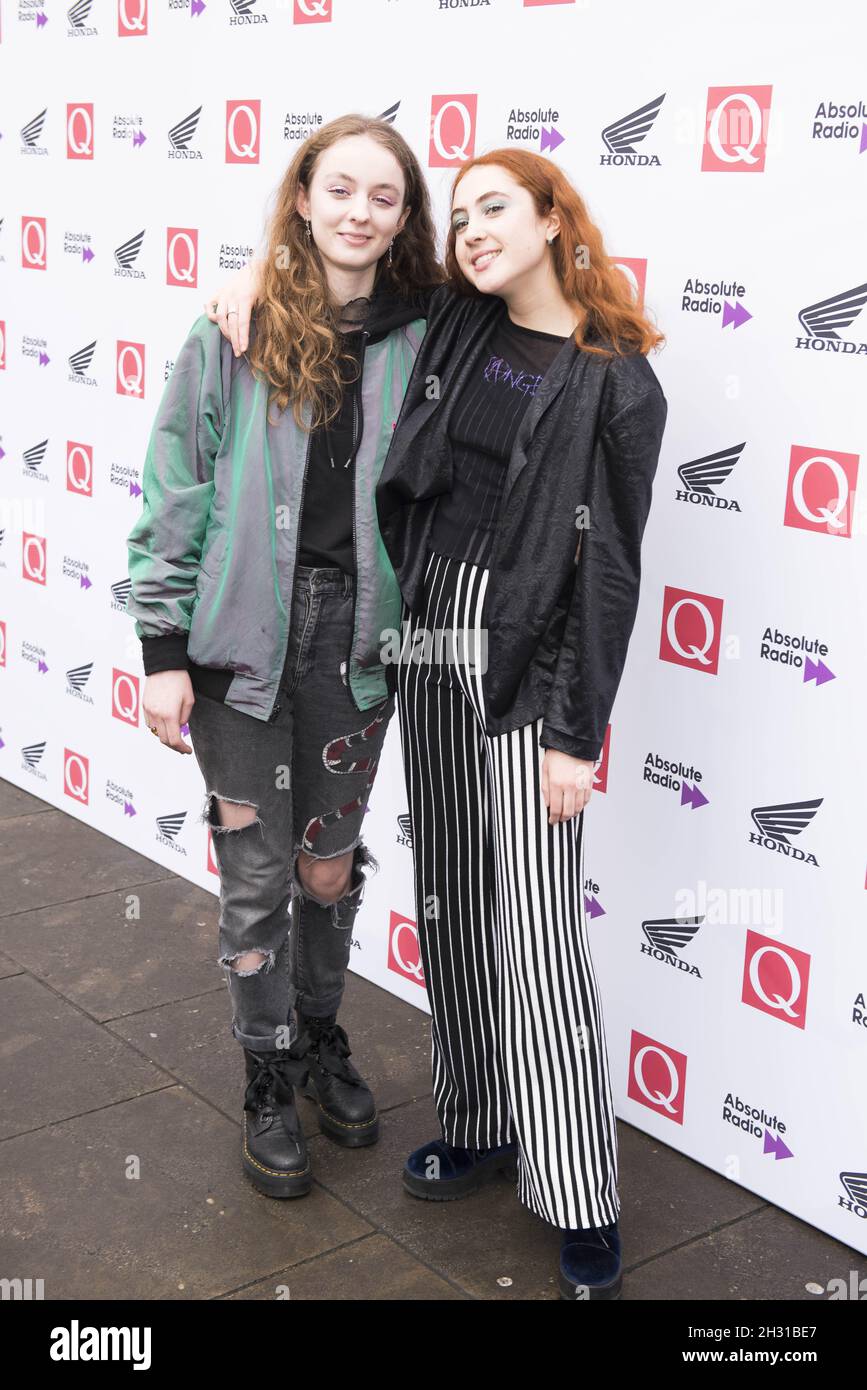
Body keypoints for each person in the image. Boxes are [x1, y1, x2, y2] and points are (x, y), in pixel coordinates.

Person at [208, 147, 667, 1300]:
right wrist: (250, 284)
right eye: (457, 215)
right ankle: (477, 1120)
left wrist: (576, 731)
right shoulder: (454, 323)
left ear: (555, 217)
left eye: (494, 209)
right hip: (426, 627)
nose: (468, 230)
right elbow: (342, 282)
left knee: (539, 929)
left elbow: (607, 571)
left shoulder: (619, 381)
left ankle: (579, 1190)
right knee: (456, 895)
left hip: (531, 652)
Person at [125, 115, 443, 1201]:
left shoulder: (431, 332)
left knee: (324, 865)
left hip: (359, 640)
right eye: (339, 188)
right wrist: (162, 645)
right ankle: (264, 1074)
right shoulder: (232, 329)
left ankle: (317, 1036)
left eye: (384, 196)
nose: (359, 210)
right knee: (256, 876)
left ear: (405, 218)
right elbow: (178, 486)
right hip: (237, 646)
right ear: (302, 195)